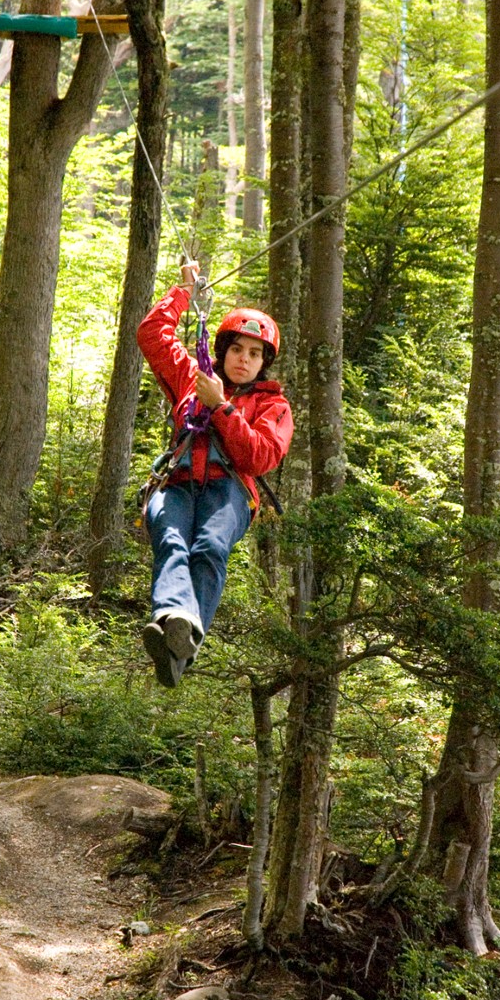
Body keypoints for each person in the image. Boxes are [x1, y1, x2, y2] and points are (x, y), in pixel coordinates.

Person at [135, 262, 293, 687]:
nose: (244, 360)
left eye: (254, 354)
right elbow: (152, 337)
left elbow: (259, 456)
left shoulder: (273, 408)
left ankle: (182, 632)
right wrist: (183, 291)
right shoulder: (193, 377)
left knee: (209, 546)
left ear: (264, 363)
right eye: (237, 350)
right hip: (178, 482)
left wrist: (222, 408)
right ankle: (173, 625)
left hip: (230, 492)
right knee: (169, 540)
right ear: (222, 351)